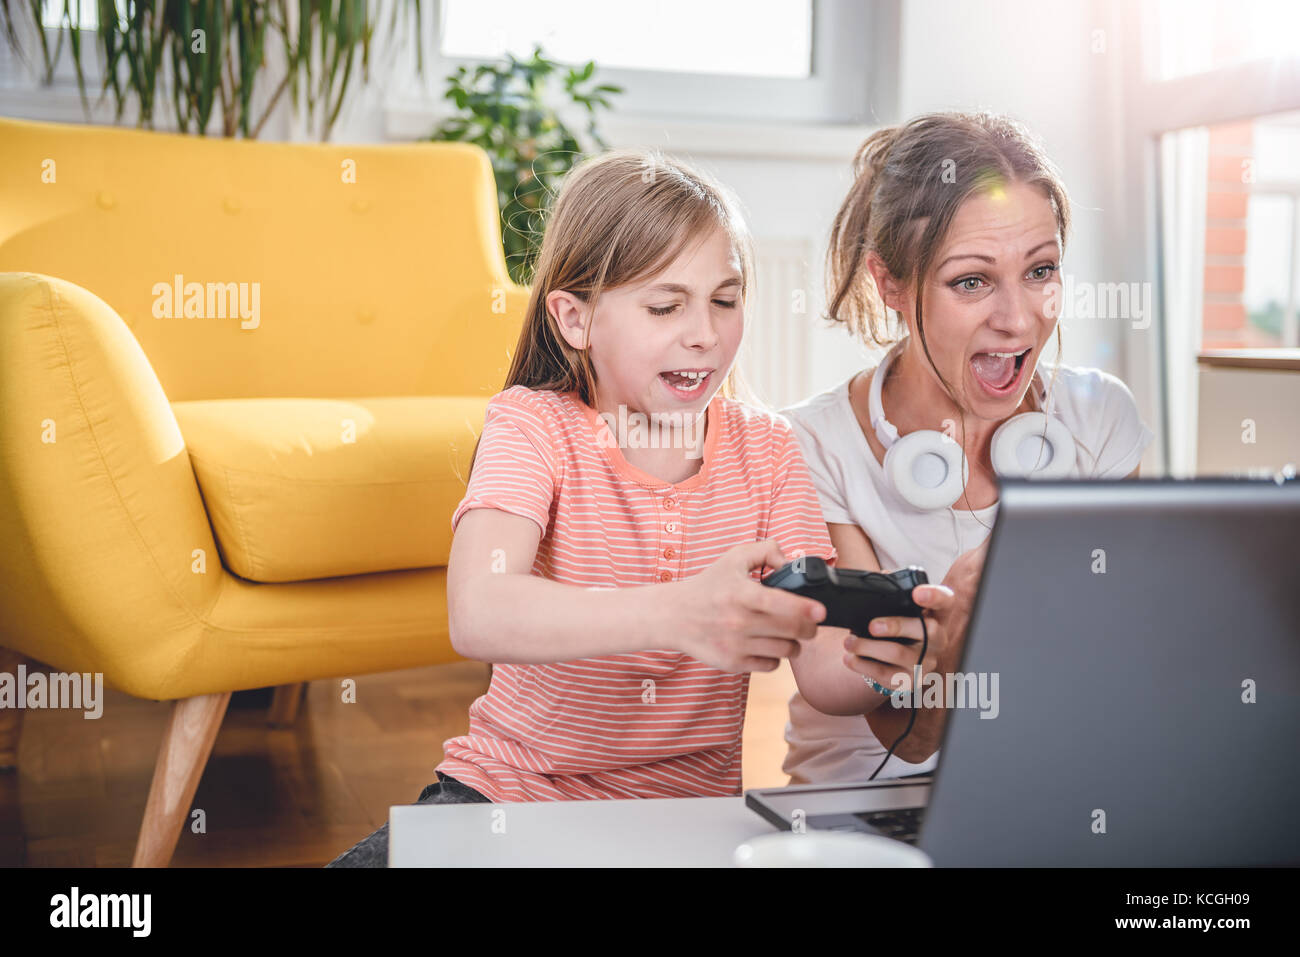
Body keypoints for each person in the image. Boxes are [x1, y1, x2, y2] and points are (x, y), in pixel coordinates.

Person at [326, 147, 964, 867]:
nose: (705, 332)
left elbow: (822, 668)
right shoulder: (533, 425)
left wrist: (884, 656)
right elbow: (478, 608)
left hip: (688, 829)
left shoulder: (769, 449)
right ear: (574, 319)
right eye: (666, 305)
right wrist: (679, 612)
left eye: (725, 299)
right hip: (509, 801)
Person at [780, 111, 1155, 784]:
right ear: (889, 283)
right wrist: (952, 638)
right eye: (972, 281)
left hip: (1046, 792)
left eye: (1040, 270)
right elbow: (906, 740)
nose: (1018, 318)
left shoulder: (1099, 420)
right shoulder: (812, 446)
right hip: (865, 808)